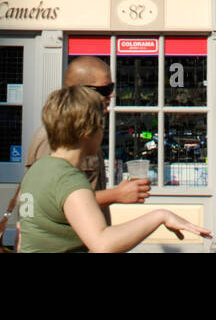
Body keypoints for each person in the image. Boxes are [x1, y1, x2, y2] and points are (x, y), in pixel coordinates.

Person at [17, 85, 211, 252]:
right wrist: (160, 216)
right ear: (87, 130)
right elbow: (103, 243)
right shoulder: (67, 179)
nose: (102, 132)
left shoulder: (39, 169)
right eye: (101, 125)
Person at [25, 56, 150, 219]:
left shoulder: (83, 131)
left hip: (86, 240)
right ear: (79, 91)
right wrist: (116, 195)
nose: (111, 95)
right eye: (105, 89)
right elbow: (49, 202)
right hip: (66, 242)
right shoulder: (53, 136)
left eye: (112, 87)